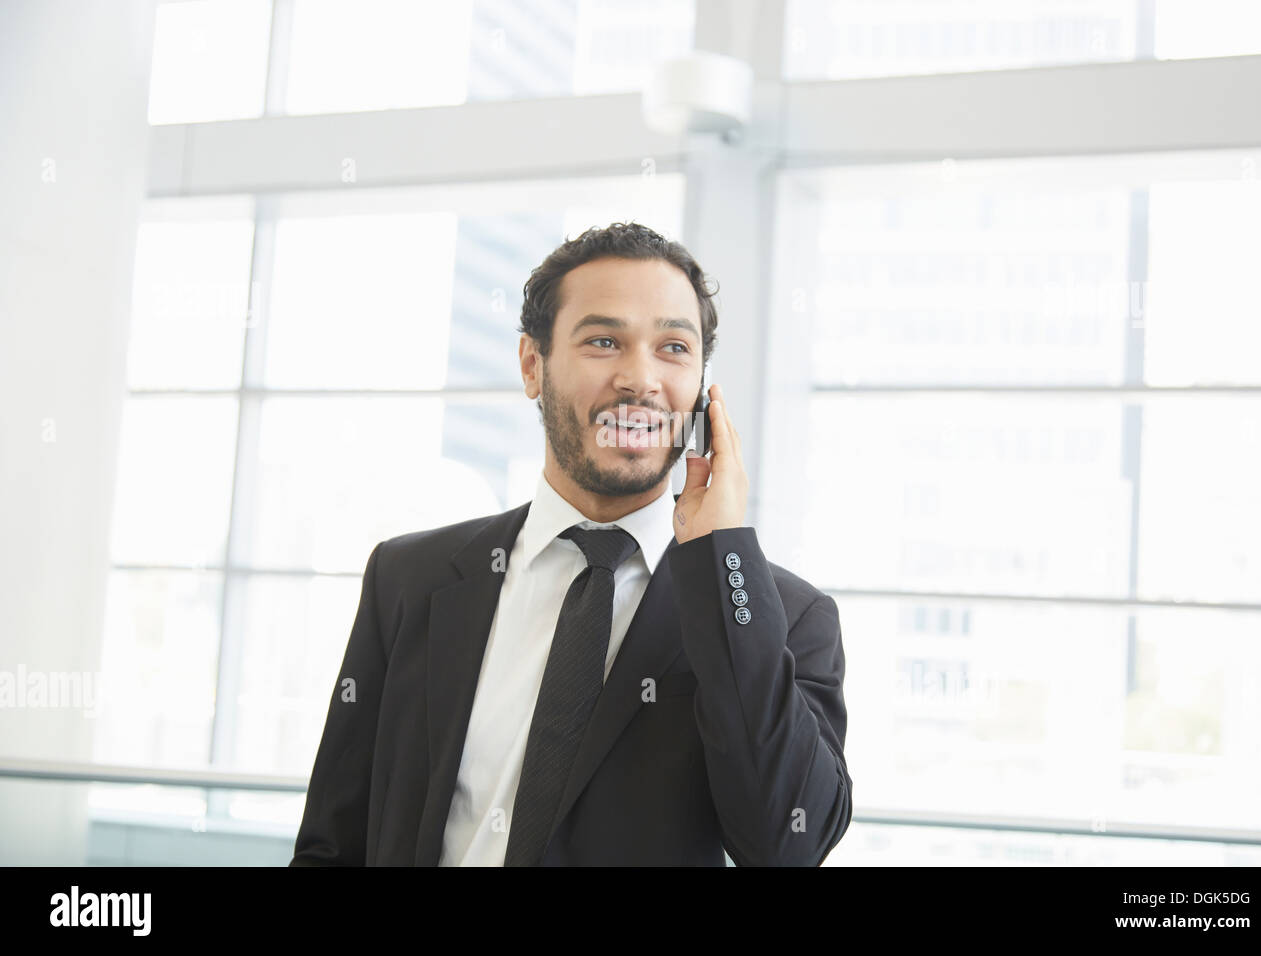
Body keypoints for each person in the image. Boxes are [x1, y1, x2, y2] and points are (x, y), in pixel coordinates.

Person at [290, 222, 852, 866]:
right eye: (605, 341)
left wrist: (722, 551)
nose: (640, 379)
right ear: (533, 365)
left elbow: (787, 843)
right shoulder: (409, 578)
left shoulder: (779, 613)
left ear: (701, 386)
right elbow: (332, 841)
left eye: (673, 347)